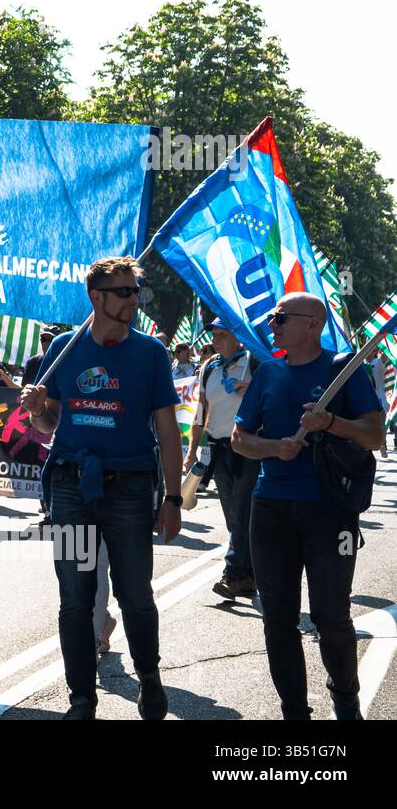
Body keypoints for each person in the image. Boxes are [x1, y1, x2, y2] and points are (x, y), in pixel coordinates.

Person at [21, 256, 182, 720]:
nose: (134, 299)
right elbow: (49, 423)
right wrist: (36, 409)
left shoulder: (150, 352)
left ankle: (149, 680)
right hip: (73, 486)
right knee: (75, 596)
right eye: (125, 292)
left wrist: (172, 499)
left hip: (131, 488)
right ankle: (81, 698)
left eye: (135, 291)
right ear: (97, 297)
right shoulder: (65, 350)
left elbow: (167, 430)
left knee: (135, 593)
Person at [232, 293, 384, 720]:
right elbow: (239, 439)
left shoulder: (344, 370)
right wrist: (273, 448)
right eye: (272, 317)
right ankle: (294, 710)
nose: (272, 324)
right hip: (271, 509)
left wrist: (330, 423)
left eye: (280, 318)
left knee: (331, 617)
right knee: (277, 619)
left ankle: (345, 699)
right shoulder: (267, 373)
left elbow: (374, 436)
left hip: (329, 510)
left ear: (312, 325)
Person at [185, 319, 258, 599]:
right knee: (234, 517)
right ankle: (250, 575)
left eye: (222, 335)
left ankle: (232, 574)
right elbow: (200, 412)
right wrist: (192, 450)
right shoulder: (209, 368)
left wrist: (251, 390)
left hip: (248, 447)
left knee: (241, 511)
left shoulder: (255, 363)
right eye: (214, 335)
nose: (216, 340)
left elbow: (271, 398)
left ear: (238, 337)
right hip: (218, 448)